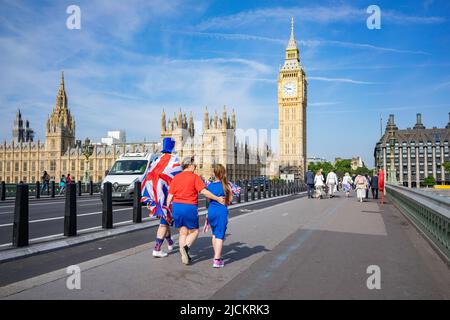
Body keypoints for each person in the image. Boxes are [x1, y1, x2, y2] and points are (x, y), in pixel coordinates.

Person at [166, 156, 225, 265]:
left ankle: (185, 255)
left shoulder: (176, 178)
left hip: (176, 207)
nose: (196, 166)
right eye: (194, 164)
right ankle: (185, 248)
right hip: (189, 207)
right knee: (195, 231)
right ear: (189, 165)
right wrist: (217, 198)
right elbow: (204, 191)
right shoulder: (194, 177)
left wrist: (167, 208)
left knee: (182, 232)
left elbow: (170, 195)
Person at [141, 137, 182, 258]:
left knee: (165, 220)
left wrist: (149, 197)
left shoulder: (156, 160)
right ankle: (157, 249)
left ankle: (169, 242)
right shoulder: (174, 160)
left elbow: (147, 177)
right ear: (173, 147)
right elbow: (177, 179)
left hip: (155, 197)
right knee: (163, 223)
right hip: (166, 198)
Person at [206, 164, 234, 268]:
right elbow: (230, 200)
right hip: (221, 212)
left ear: (214, 174)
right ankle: (217, 260)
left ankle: (216, 255)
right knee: (220, 235)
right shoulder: (226, 185)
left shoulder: (210, 186)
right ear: (224, 173)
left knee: (214, 234)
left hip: (211, 211)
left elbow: (208, 199)